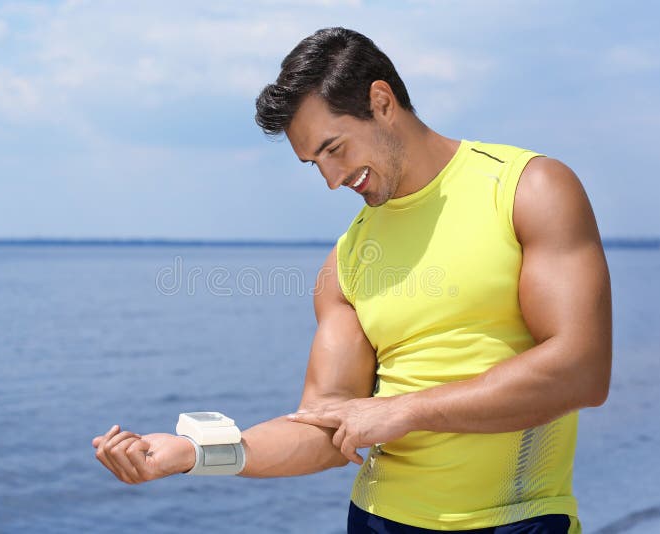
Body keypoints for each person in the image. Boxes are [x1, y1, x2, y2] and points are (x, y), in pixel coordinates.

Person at [92, 27, 612, 533]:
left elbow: (582, 371)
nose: (331, 179)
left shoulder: (526, 189)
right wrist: (193, 454)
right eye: (313, 162)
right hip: (377, 520)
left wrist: (405, 411)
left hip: (518, 520)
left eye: (334, 148)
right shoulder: (344, 262)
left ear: (382, 102)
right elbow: (324, 429)